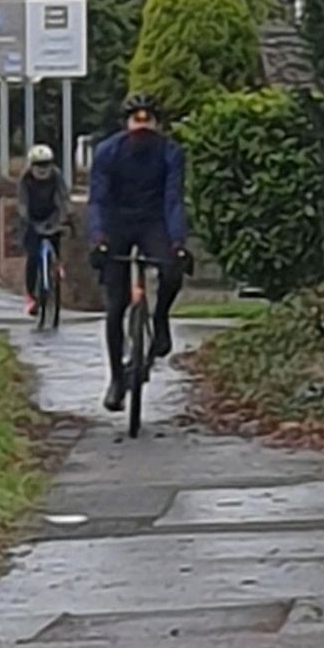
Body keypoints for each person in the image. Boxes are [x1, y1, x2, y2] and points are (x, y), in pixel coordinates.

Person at [88, 92, 194, 411]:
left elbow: (173, 199)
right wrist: (99, 239)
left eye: (149, 121)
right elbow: (98, 200)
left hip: (153, 220)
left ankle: (160, 319)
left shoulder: (170, 153)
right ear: (127, 124)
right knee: (116, 304)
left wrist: (177, 243)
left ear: (158, 125)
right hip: (118, 222)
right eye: (137, 121)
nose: (142, 128)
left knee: (172, 269)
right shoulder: (108, 152)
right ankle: (117, 380)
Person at [17, 144, 73, 317]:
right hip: (33, 218)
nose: (42, 169)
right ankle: (31, 296)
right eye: (38, 164)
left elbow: (63, 196)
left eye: (45, 164)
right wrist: (25, 217)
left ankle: (57, 265)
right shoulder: (25, 179)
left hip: (51, 216)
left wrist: (67, 214)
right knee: (33, 257)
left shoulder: (56, 175)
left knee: (56, 241)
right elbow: (22, 201)